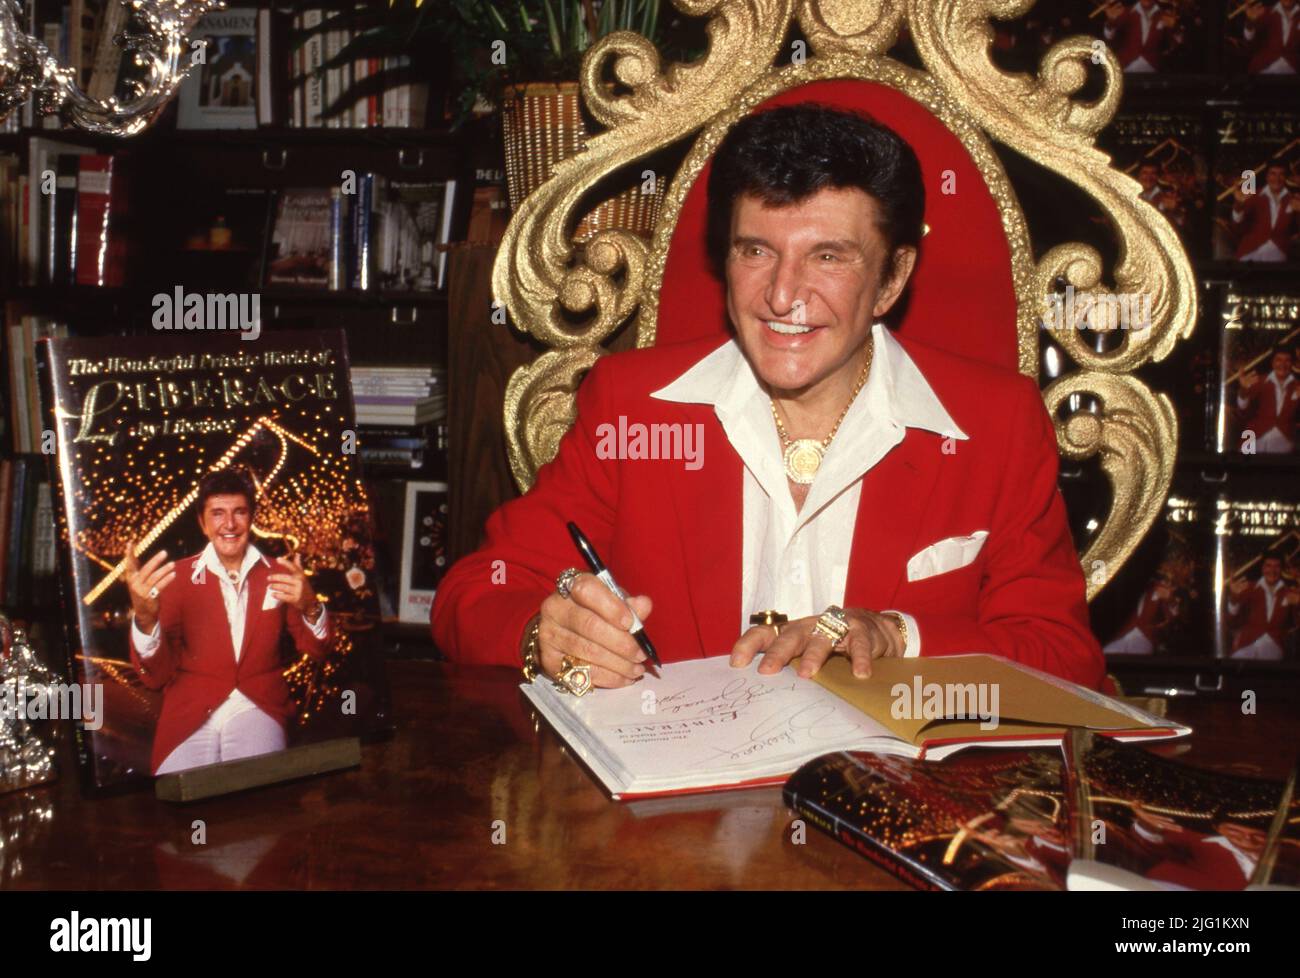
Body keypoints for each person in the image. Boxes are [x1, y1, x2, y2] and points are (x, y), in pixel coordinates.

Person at [430, 103, 1105, 693]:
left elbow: (1065, 659)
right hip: (679, 795)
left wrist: (899, 635)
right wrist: (543, 636)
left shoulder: (996, 424)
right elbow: (475, 591)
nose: (783, 296)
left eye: (828, 257)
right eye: (756, 251)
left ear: (893, 278)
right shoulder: (631, 408)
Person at [125, 467, 331, 775]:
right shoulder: (175, 578)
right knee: (178, 789)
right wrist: (145, 620)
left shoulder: (281, 572)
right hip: (190, 710)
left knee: (253, 787)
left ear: (252, 518)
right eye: (218, 513)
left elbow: (319, 650)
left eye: (240, 512)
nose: (230, 524)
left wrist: (311, 606)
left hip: (260, 704)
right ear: (202, 523)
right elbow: (156, 676)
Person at [1226, 553, 1299, 660]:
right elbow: (1231, 621)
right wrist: (1234, 598)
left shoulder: (1290, 592)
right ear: (1262, 568)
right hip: (1246, 644)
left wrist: (1299, 603)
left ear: (1282, 570)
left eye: (1277, 566)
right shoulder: (1248, 587)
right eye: (1268, 566)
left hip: (1274, 647)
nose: (1272, 570)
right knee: (1235, 665)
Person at [1234, 346, 1299, 453]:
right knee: (1244, 462)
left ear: (1292, 364)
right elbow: (1242, 410)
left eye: (1287, 360)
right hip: (1252, 438)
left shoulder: (1297, 385)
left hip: (1283, 444)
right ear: (1272, 363)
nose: (1283, 364)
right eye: (1278, 360)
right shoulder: (1259, 380)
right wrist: (1243, 390)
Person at [1232, 161, 1300, 262]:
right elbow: (1237, 226)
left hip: (1277, 255)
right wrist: (1238, 205)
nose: (1277, 179)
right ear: (1267, 177)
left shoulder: (1294, 198)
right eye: (1273, 174)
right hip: (1249, 252)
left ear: (1285, 178)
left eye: (1281, 174)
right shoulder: (1253, 196)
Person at [1242, 0, 1300, 74]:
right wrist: (1250, 22)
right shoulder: (1265, 12)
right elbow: (1249, 42)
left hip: (1292, 72)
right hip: (1263, 69)